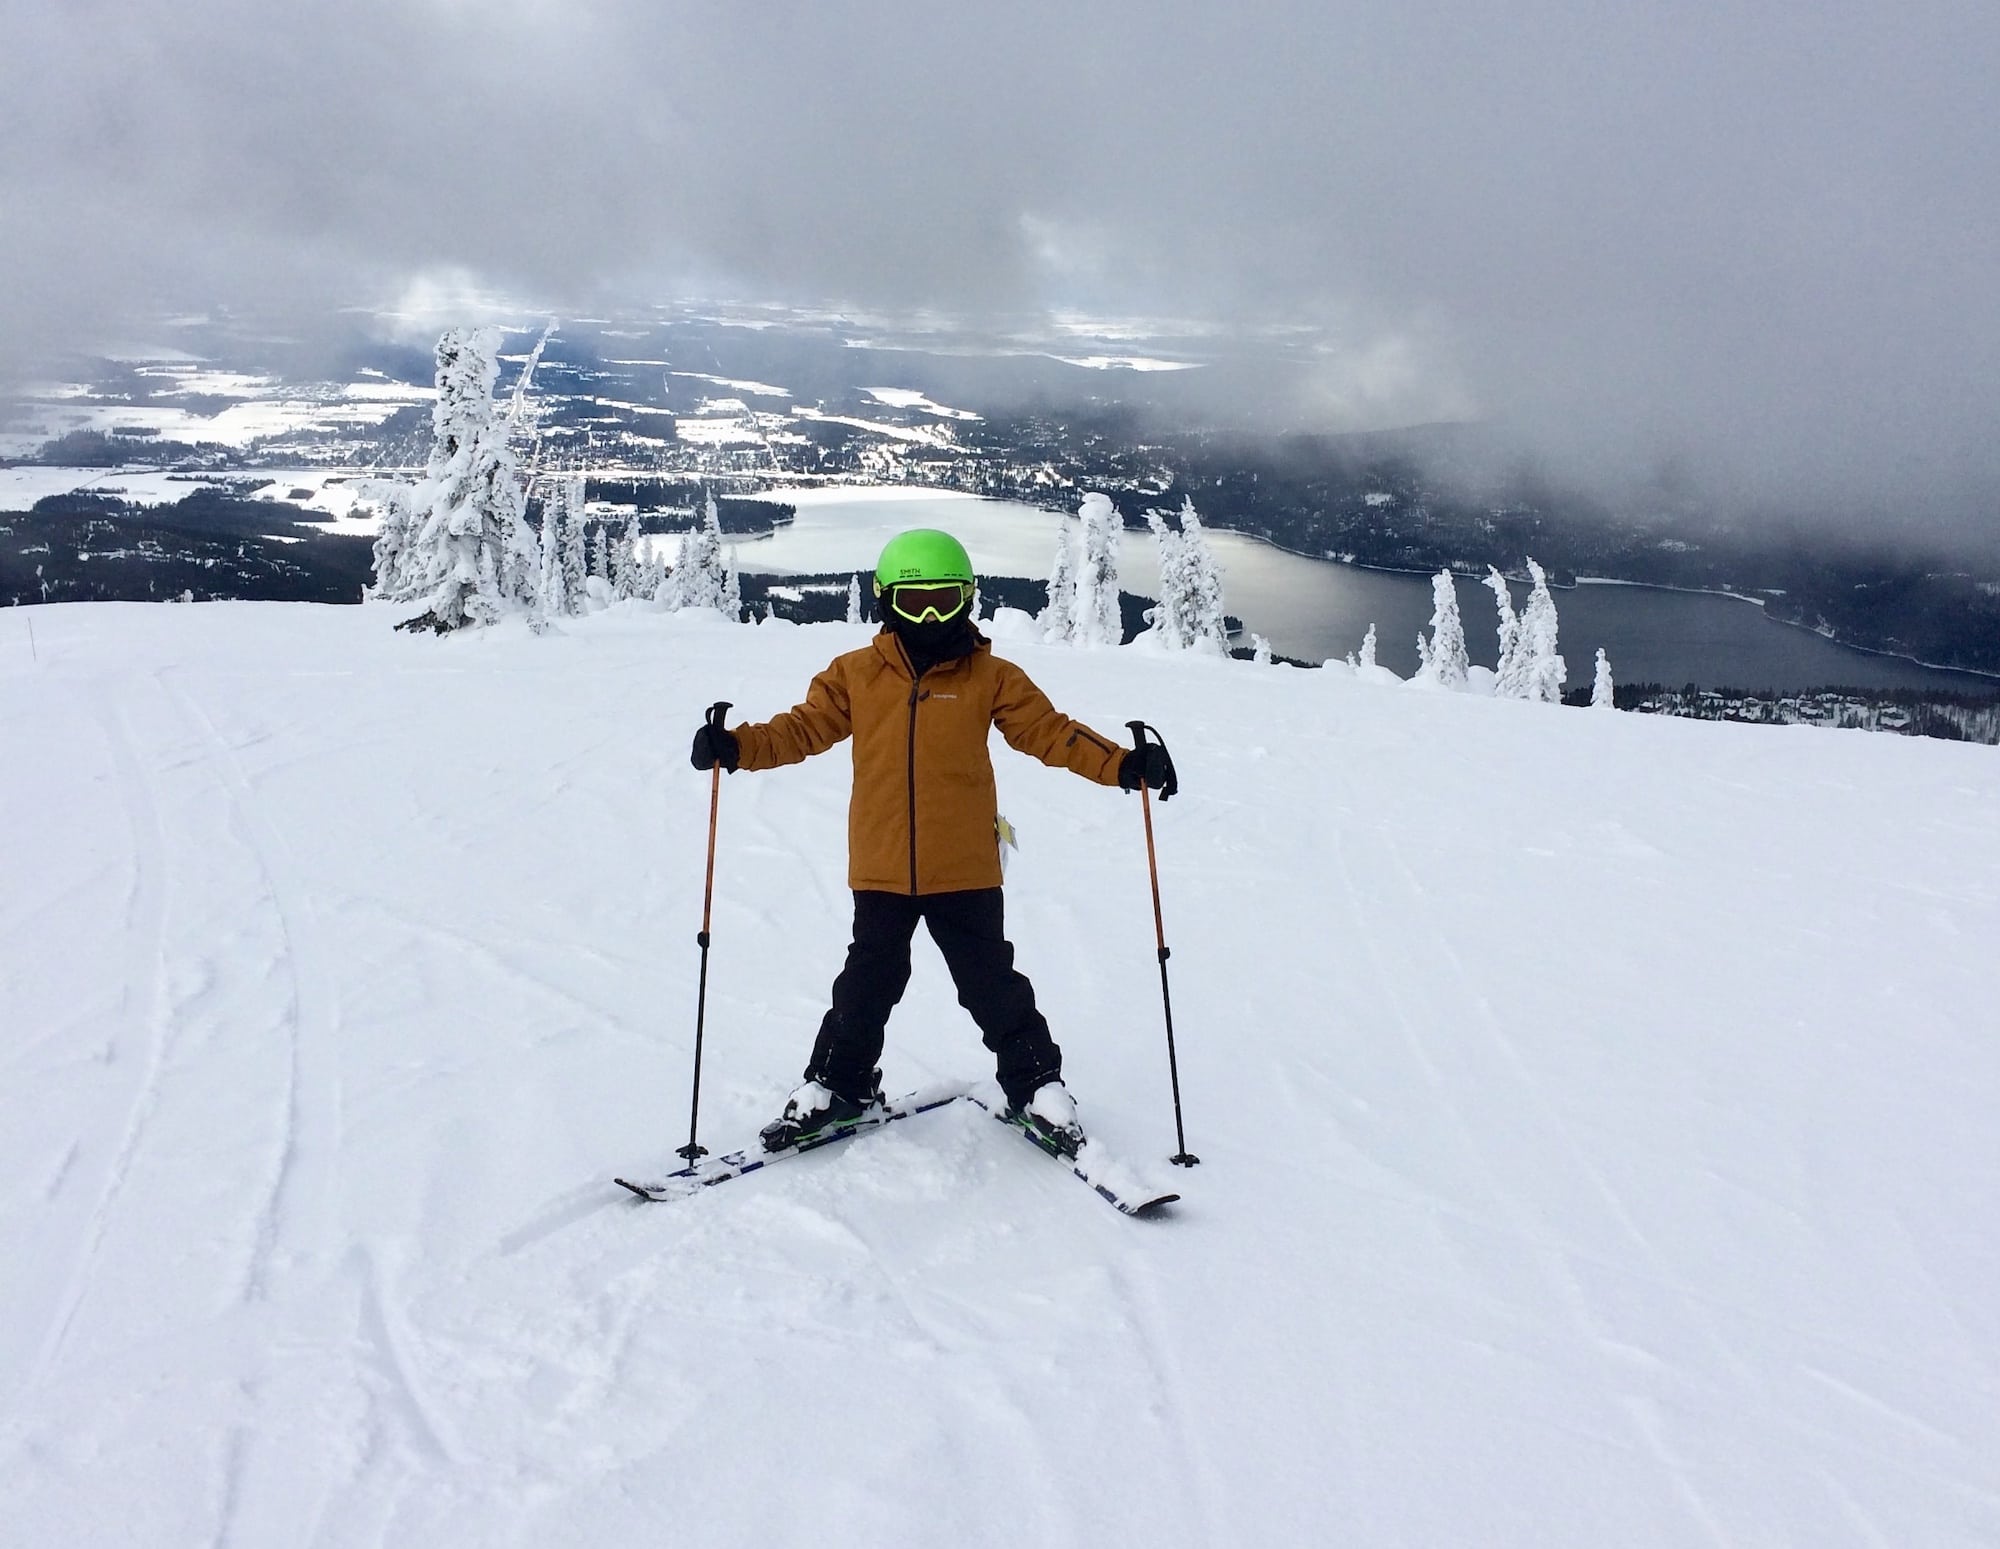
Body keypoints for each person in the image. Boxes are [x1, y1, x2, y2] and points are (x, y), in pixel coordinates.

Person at [690, 528, 1176, 1158]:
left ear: (967, 600)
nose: (929, 617)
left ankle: (1036, 1086)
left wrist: (1122, 765)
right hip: (883, 866)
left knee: (990, 983)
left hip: (965, 866)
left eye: (945, 601)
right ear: (886, 600)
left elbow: (1049, 732)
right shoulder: (855, 676)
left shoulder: (991, 677)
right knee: (866, 984)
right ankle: (840, 1086)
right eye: (916, 602)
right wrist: (739, 747)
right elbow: (802, 729)